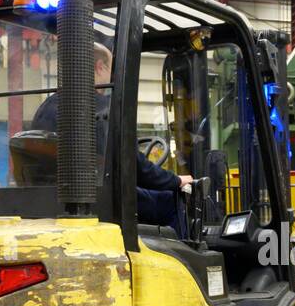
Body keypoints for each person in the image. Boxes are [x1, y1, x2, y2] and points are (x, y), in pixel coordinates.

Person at [29, 42, 194, 227]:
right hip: (96, 199)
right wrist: (176, 180)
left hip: (49, 198)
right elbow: (133, 165)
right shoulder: (101, 108)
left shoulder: (45, 108)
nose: (112, 76)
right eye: (110, 68)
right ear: (99, 67)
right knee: (171, 201)